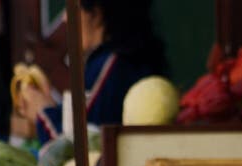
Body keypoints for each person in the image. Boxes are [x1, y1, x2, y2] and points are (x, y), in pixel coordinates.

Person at [19, 0, 167, 144]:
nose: (65, 18)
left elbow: (76, 147)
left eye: (72, 9)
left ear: (96, 15)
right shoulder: (129, 59)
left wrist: (42, 112)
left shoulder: (113, 66)